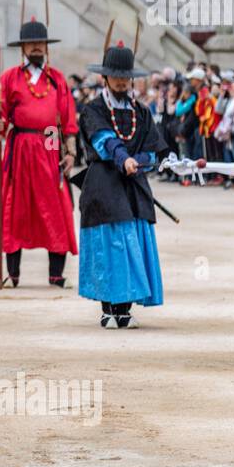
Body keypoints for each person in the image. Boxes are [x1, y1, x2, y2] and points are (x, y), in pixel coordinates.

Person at [76, 43, 171, 329]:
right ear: (104, 78)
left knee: (133, 244)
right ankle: (108, 307)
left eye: (125, 76)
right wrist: (123, 158)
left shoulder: (140, 113)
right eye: (114, 75)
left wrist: (138, 161)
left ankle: (125, 308)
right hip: (103, 186)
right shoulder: (92, 110)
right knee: (110, 245)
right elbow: (105, 141)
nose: (120, 81)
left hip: (134, 185)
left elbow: (155, 150)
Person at [0, 17, 78, 288]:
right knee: (16, 207)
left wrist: (70, 152)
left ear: (46, 47)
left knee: (55, 205)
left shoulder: (57, 79)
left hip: (49, 140)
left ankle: (56, 273)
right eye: (31, 43)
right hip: (21, 143)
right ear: (23, 47)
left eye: (40, 43)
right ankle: (13, 273)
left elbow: (69, 119)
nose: (36, 47)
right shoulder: (10, 78)